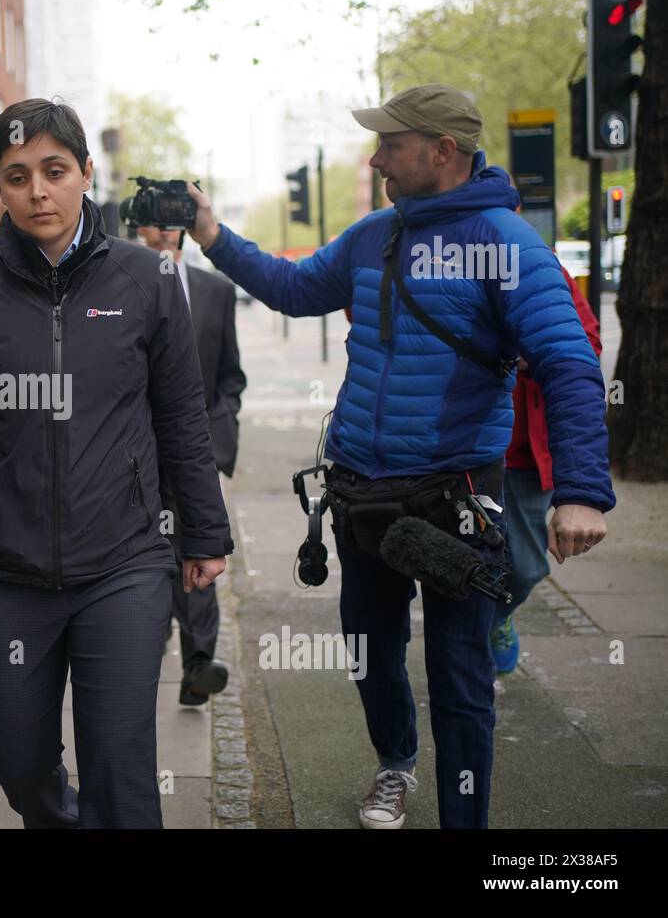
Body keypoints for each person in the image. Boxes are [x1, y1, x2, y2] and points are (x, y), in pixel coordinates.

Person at [184, 83, 614, 829]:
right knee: (369, 656)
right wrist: (212, 233)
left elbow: (569, 364)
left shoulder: (506, 245)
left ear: (442, 151)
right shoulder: (372, 235)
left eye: (391, 144)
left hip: (455, 499)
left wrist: (581, 491)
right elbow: (291, 287)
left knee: (459, 677)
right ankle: (395, 765)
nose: (377, 157)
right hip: (360, 494)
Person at [0, 98, 233, 828]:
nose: (37, 191)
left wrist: (204, 532)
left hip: (124, 562)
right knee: (17, 758)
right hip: (5, 571)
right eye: (17, 176)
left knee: (121, 764)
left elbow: (182, 413)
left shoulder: (147, 280)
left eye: (54, 171)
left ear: (86, 173)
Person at [135, 225, 246, 705]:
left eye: (173, 216)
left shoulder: (216, 290)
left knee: (198, 548)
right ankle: (147, 637)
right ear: (139, 223)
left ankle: (198, 664)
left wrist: (218, 438)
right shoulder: (118, 282)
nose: (163, 227)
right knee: (146, 553)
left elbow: (230, 377)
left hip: (195, 453)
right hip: (134, 453)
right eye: (154, 216)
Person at [493, 265, 602, 673]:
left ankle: (497, 617)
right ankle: (463, 645)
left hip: (524, 453)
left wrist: (532, 354)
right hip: (457, 450)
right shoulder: (437, 257)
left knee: (525, 566)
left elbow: (587, 345)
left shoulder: (541, 263)